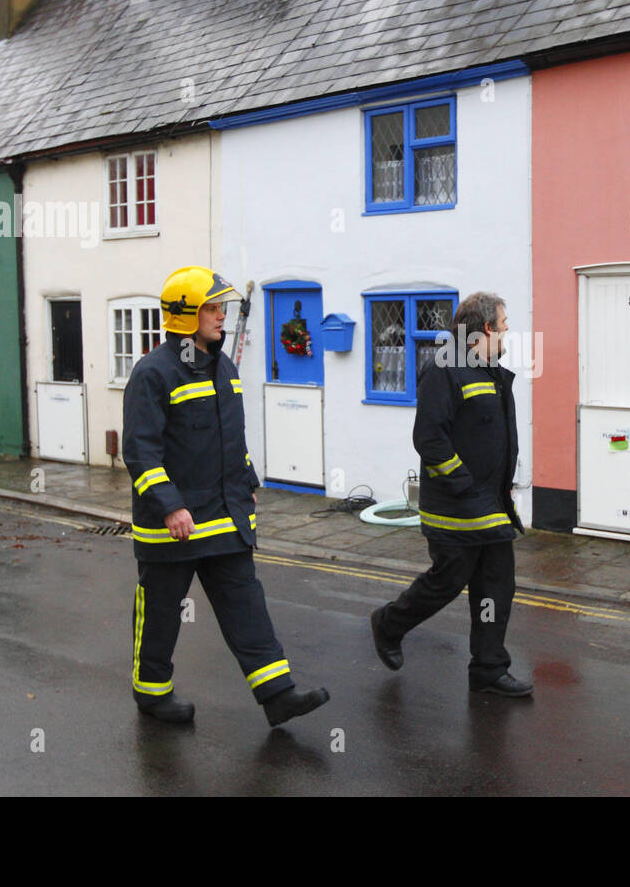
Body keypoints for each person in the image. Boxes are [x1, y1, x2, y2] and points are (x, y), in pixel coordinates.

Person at [123, 265, 329, 726]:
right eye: (212, 309)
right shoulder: (152, 374)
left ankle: (278, 694)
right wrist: (171, 505)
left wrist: (247, 484)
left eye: (221, 308)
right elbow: (139, 451)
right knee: (161, 614)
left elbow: (230, 438)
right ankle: (151, 694)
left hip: (224, 516)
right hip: (173, 526)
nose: (221, 316)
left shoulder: (224, 366)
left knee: (246, 605)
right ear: (185, 317)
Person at [369, 291, 532, 696]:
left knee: (497, 585)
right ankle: (389, 623)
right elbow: (429, 437)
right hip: (456, 507)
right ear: (487, 328)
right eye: (504, 321)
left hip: (490, 505)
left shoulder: (487, 368)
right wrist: (462, 482)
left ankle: (489, 669)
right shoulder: (445, 368)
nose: (509, 328)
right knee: (448, 580)